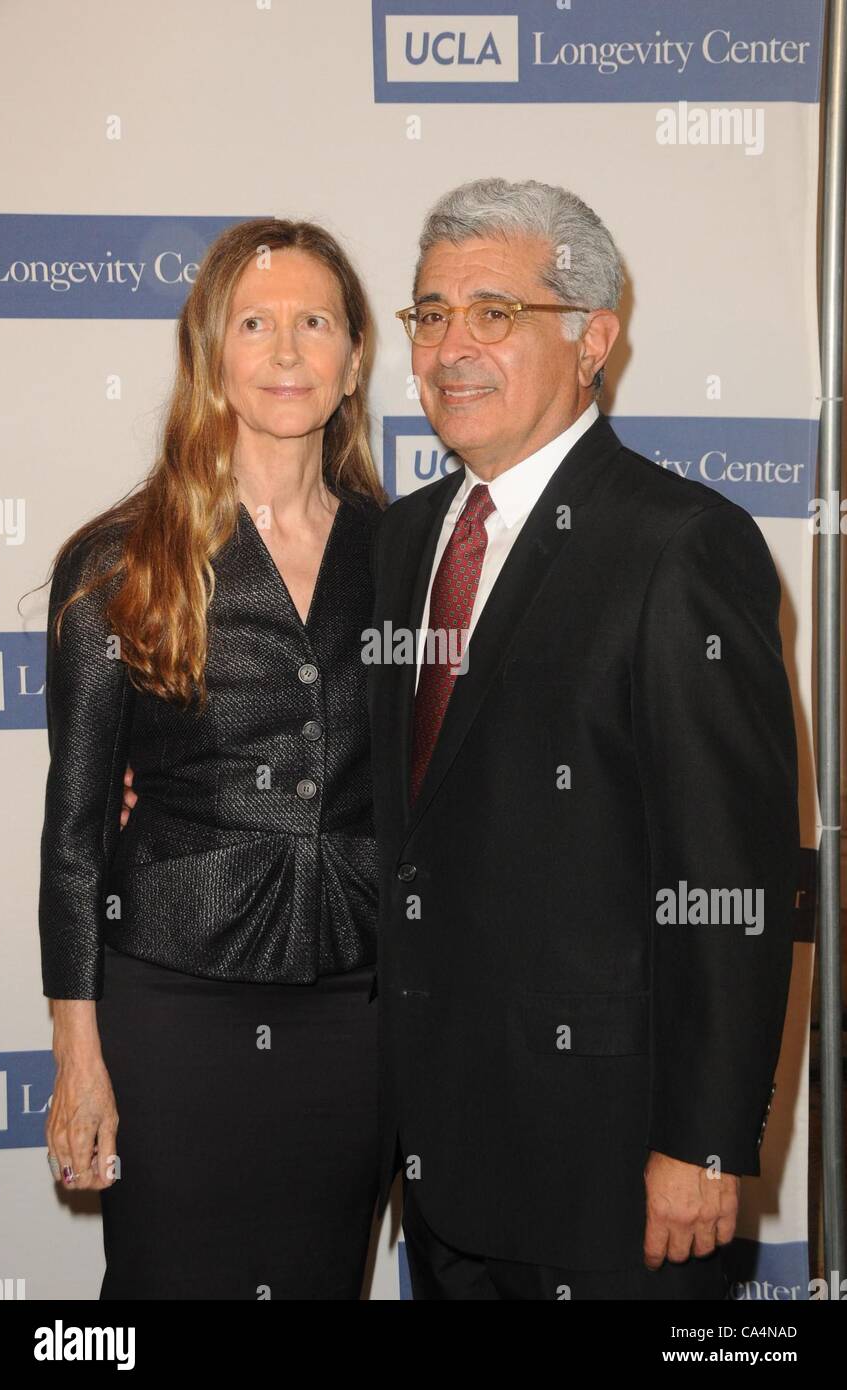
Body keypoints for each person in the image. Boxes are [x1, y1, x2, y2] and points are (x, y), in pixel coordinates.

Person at [367, 177, 799, 1300]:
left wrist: (704, 1140)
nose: (449, 347)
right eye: (429, 314)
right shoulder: (404, 539)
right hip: (440, 1156)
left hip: (614, 1172)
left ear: (592, 339)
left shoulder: (680, 546)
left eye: (492, 313)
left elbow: (729, 877)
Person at [38, 216, 386, 1299]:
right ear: (210, 353)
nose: (286, 352)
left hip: (357, 1005)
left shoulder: (409, 553)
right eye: (254, 323)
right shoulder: (117, 560)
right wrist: (77, 1056)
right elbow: (75, 835)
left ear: (354, 355)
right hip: (172, 1003)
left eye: (314, 322)